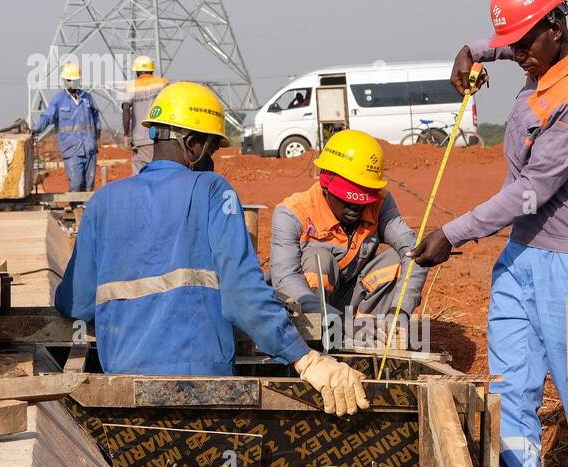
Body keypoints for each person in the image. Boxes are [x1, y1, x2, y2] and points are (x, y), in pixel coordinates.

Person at [409, 0, 568, 467]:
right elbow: (512, 42)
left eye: (525, 45)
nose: (518, 56)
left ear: (555, 26)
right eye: (512, 45)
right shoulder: (543, 53)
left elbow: (529, 193)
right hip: (522, 255)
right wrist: (473, 50)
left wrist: (453, 233)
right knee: (511, 392)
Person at [55, 81, 369, 416]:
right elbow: (242, 296)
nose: (212, 161)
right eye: (212, 150)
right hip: (203, 389)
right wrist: (305, 358)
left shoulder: (102, 202)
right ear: (193, 145)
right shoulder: (212, 191)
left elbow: (75, 303)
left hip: (120, 391)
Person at [267, 130, 428, 346]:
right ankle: (318, 339)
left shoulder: (379, 203)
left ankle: (373, 336)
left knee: (398, 259)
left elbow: (415, 252)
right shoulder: (292, 212)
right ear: (325, 184)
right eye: (347, 199)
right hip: (308, 308)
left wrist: (400, 311)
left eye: (363, 199)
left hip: (352, 304)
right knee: (319, 259)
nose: (355, 207)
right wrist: (339, 320)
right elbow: (285, 279)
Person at [35, 61, 103, 192]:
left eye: (75, 80)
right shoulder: (59, 100)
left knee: (89, 185)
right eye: (70, 80)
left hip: (89, 148)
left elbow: (96, 116)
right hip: (71, 149)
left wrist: (96, 135)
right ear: (65, 80)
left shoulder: (87, 98)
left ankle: (86, 206)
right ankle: (75, 203)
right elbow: (47, 116)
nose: (73, 83)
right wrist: (36, 129)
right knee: (77, 183)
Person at [121, 55, 168, 173]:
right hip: (162, 136)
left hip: (141, 138)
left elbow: (126, 107)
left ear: (137, 71)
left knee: (140, 171)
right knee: (161, 169)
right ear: (152, 70)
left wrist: (126, 135)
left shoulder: (132, 86)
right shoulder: (162, 83)